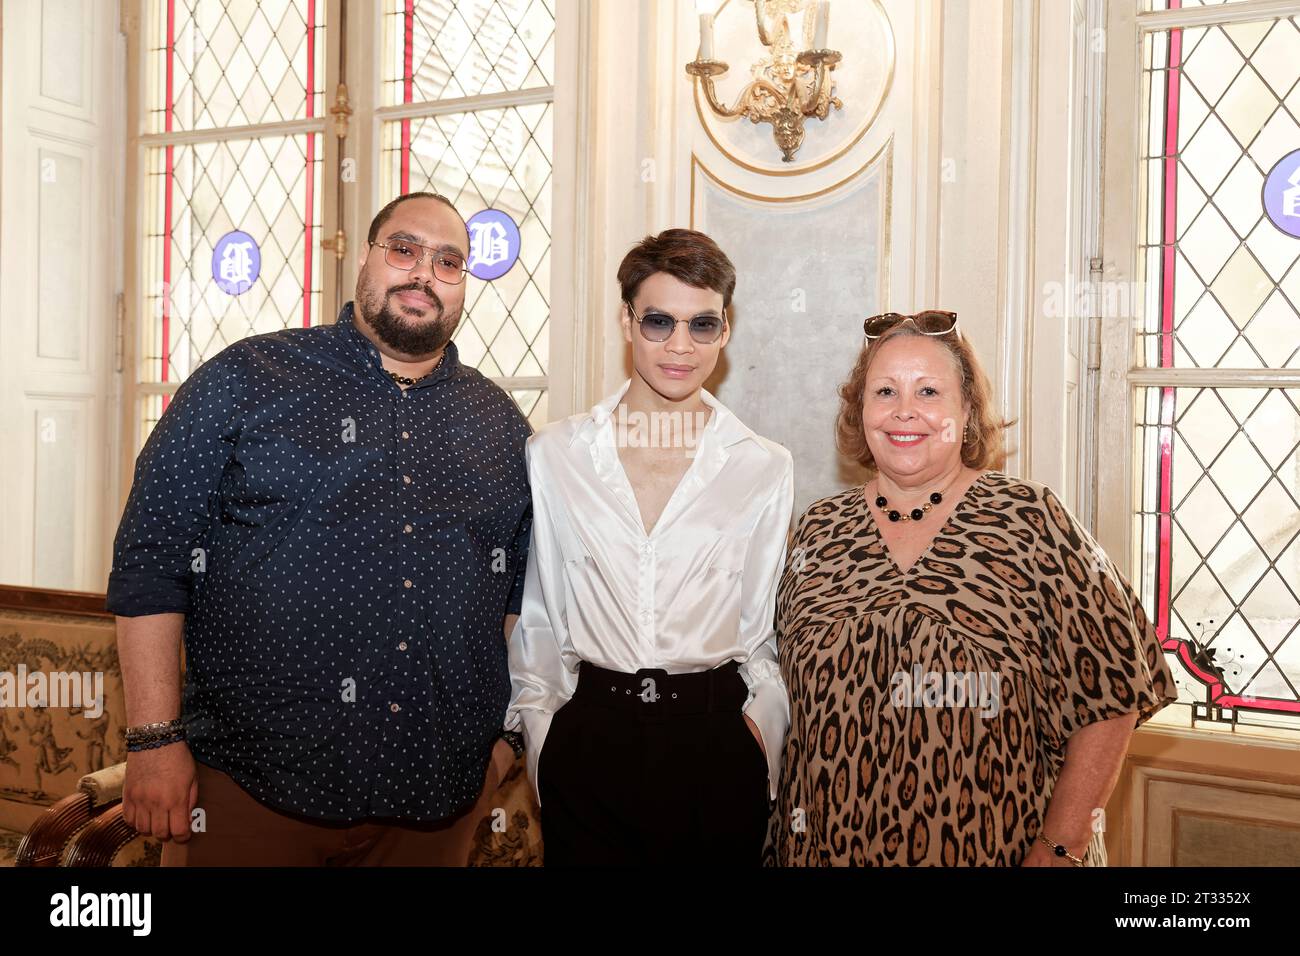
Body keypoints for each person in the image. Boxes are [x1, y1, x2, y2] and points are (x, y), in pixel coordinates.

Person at [107, 191, 530, 866]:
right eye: (404, 248)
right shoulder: (243, 380)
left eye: (449, 261)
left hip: (435, 806)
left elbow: (524, 604)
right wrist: (154, 741)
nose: (424, 272)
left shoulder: (500, 425)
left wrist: (506, 746)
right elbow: (151, 562)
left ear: (464, 284)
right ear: (364, 258)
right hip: (254, 791)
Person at [765, 310, 1176, 866]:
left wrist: (1060, 848)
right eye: (884, 391)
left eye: (929, 391)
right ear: (859, 410)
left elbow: (1114, 693)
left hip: (995, 850)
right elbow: (773, 681)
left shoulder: (1031, 520)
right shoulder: (819, 527)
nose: (904, 410)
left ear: (967, 412)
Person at [506, 229, 794, 865]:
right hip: (588, 742)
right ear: (628, 322)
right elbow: (541, 616)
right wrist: (543, 733)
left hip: (717, 746)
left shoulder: (762, 465)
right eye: (659, 321)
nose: (680, 346)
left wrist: (759, 737)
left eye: (702, 324)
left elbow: (760, 630)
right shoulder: (555, 453)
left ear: (725, 331)